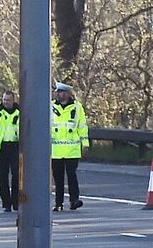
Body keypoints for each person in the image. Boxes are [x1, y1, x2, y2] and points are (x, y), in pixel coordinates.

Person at [51, 82, 88, 212]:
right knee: (58, 178)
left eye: (61, 92)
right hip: (56, 150)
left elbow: (82, 127)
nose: (59, 94)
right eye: (58, 92)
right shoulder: (51, 107)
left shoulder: (77, 108)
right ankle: (58, 203)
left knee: (72, 175)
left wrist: (85, 144)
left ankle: (74, 200)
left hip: (72, 149)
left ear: (67, 94)